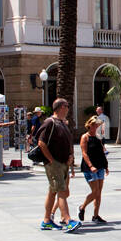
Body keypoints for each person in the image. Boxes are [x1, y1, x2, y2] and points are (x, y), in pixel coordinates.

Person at [36, 98, 80, 231]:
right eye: (67, 105)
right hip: (55, 163)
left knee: (53, 191)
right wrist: (51, 160)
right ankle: (67, 220)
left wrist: (71, 157)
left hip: (63, 163)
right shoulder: (50, 122)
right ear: (61, 107)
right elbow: (41, 142)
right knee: (62, 190)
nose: (68, 108)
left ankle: (46, 220)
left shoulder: (61, 123)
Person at [78, 116, 110, 224]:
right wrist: (91, 166)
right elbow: (84, 153)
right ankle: (82, 207)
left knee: (99, 193)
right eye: (94, 125)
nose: (95, 126)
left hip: (100, 166)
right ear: (89, 125)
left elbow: (102, 152)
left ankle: (96, 216)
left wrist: (106, 166)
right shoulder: (85, 137)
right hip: (89, 168)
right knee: (95, 191)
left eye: (97, 125)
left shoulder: (97, 137)